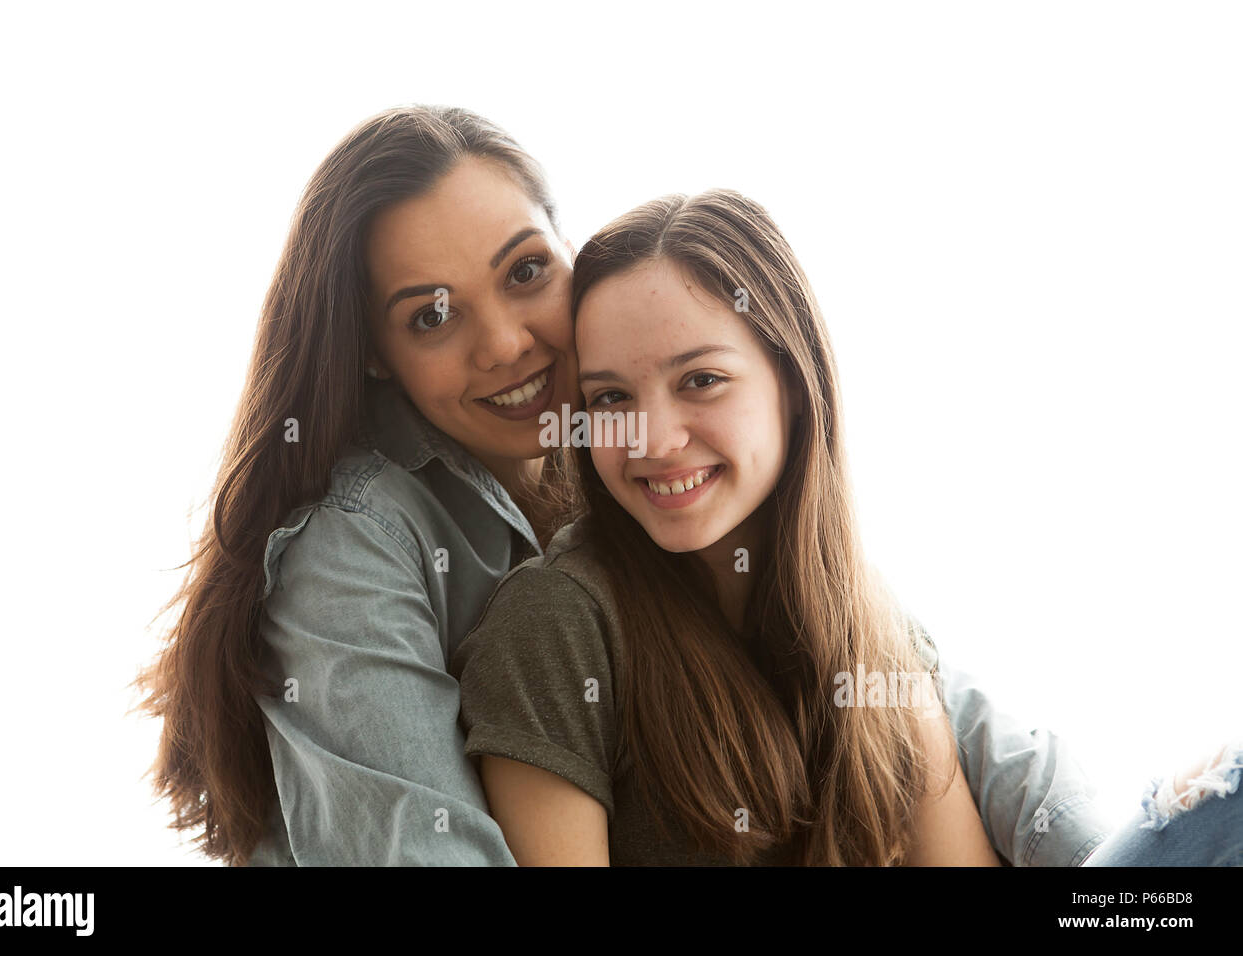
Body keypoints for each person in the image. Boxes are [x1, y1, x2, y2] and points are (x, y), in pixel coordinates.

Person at [136, 106, 1115, 866]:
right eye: (430, 316)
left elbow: (954, 719)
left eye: (524, 271)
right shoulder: (359, 546)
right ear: (375, 355)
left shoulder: (637, 470)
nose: (507, 341)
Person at [451, 188, 1243, 865]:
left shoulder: (862, 617)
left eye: (701, 380)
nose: (653, 441)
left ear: (793, 386)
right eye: (611, 398)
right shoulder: (557, 623)